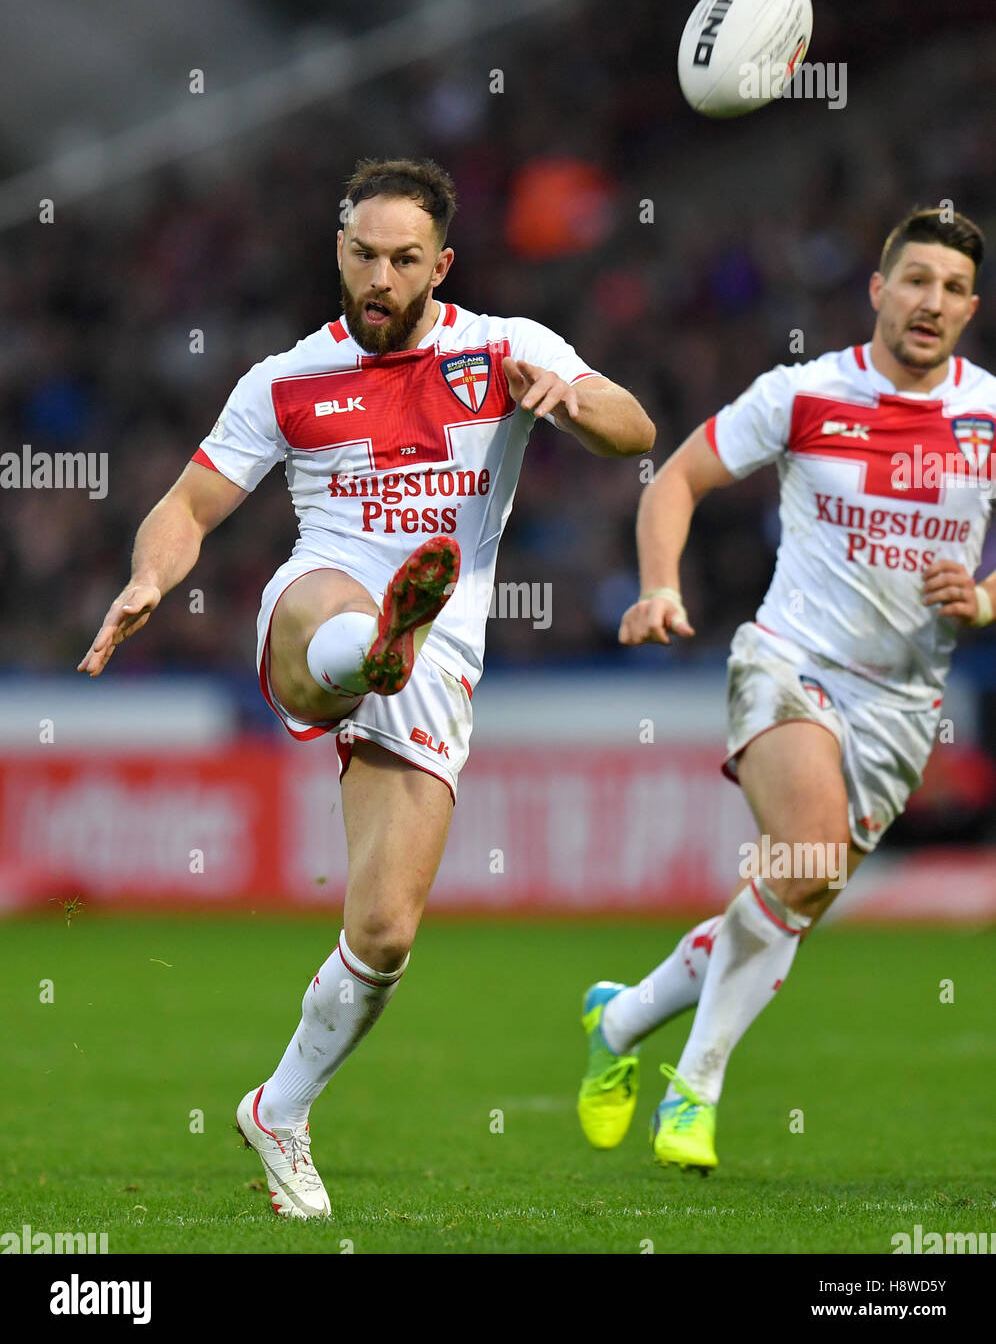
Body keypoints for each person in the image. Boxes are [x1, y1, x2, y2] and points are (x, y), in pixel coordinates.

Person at [78, 157, 655, 1216]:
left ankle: (279, 1108)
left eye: (402, 259)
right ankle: (367, 645)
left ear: (441, 262)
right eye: (361, 255)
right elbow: (190, 504)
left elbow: (636, 429)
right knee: (333, 603)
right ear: (337, 253)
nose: (379, 277)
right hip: (319, 608)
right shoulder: (286, 379)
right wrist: (147, 578)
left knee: (384, 934)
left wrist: (568, 401)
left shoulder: (504, 348)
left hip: (439, 660)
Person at [577, 206, 995, 1172]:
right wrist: (656, 587)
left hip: (903, 709)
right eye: (916, 280)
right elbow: (674, 478)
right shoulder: (805, 393)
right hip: (789, 664)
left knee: (791, 895)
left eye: (953, 288)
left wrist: (979, 599)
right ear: (878, 291)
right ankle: (697, 1088)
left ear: (971, 308)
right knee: (804, 858)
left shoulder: (985, 416)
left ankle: (621, 1017)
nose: (931, 301)